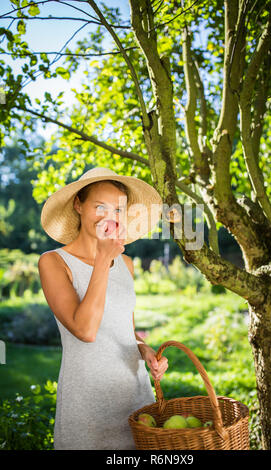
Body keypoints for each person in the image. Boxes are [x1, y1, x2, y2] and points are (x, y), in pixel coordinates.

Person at [38, 167, 168, 450]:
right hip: (87, 407)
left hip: (136, 400)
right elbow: (85, 330)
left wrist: (144, 350)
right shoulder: (54, 262)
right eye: (100, 207)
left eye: (118, 209)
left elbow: (126, 331)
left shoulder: (127, 264)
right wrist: (102, 259)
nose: (110, 217)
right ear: (78, 205)